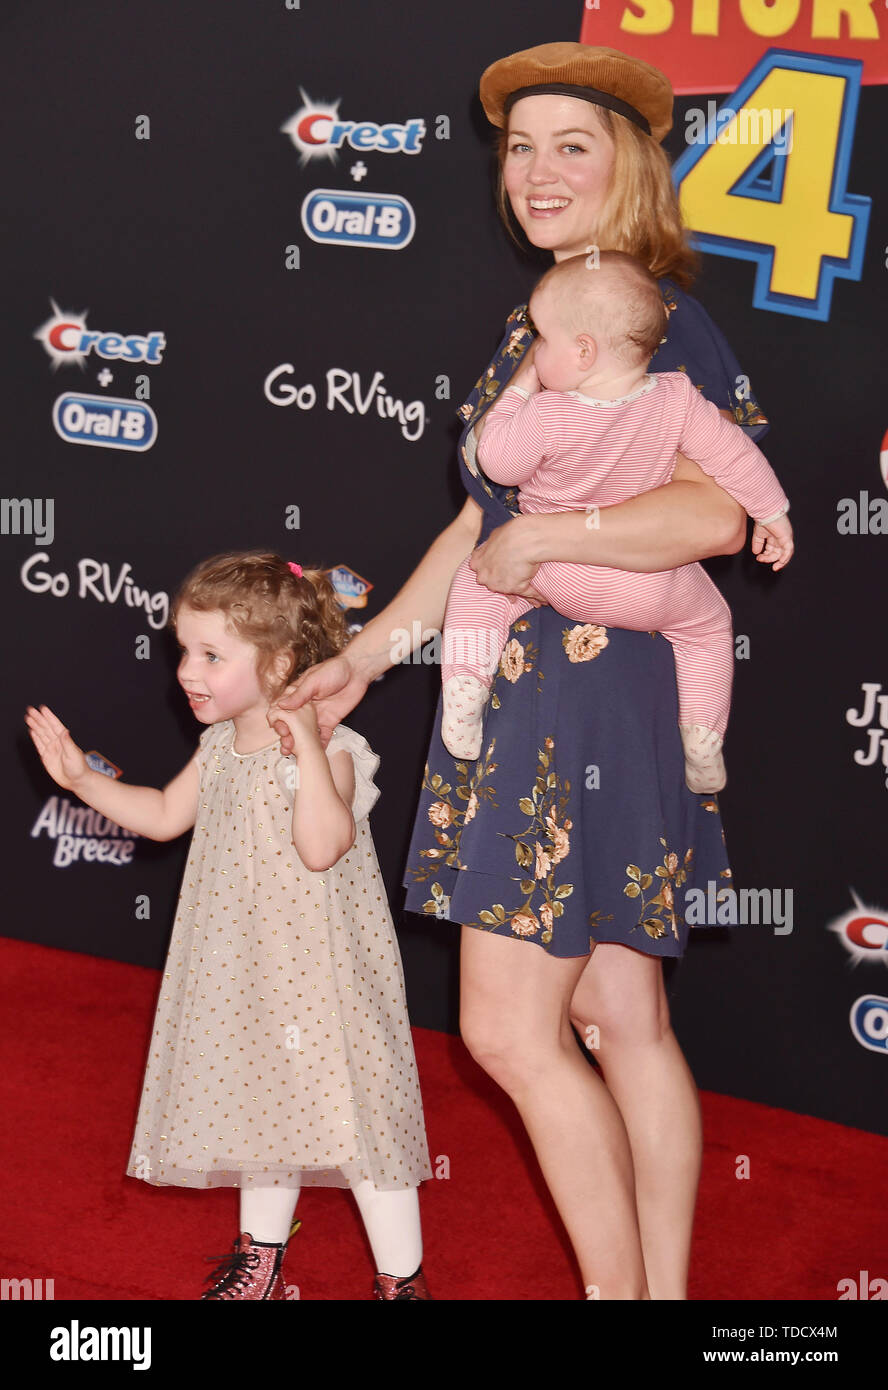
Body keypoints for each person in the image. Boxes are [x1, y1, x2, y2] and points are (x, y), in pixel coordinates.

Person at [276, 42, 773, 1300]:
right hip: (549, 683)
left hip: (586, 694)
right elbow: (475, 529)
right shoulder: (536, 321)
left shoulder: (665, 317)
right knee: (624, 1021)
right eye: (520, 146)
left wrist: (560, 537)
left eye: (573, 145)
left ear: (632, 166)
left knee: (507, 1027)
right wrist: (372, 650)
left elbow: (718, 517)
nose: (539, 172)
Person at [25, 551, 432, 1301]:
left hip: (324, 983)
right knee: (262, 1110)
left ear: (280, 664)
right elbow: (160, 818)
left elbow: (321, 846)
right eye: (185, 648)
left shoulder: (335, 753)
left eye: (212, 654)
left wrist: (307, 741)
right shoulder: (217, 749)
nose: (187, 669)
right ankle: (263, 1266)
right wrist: (83, 779)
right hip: (243, 971)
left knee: (360, 1126)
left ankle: (401, 1284)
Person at [440, 250, 793, 790]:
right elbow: (735, 457)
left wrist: (518, 390)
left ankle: (465, 693)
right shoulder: (677, 398)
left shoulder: (551, 411)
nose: (536, 352)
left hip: (555, 571)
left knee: (476, 583)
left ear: (583, 351)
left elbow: (499, 461)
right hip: (648, 587)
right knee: (708, 625)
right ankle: (703, 738)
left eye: (544, 341)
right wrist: (774, 514)